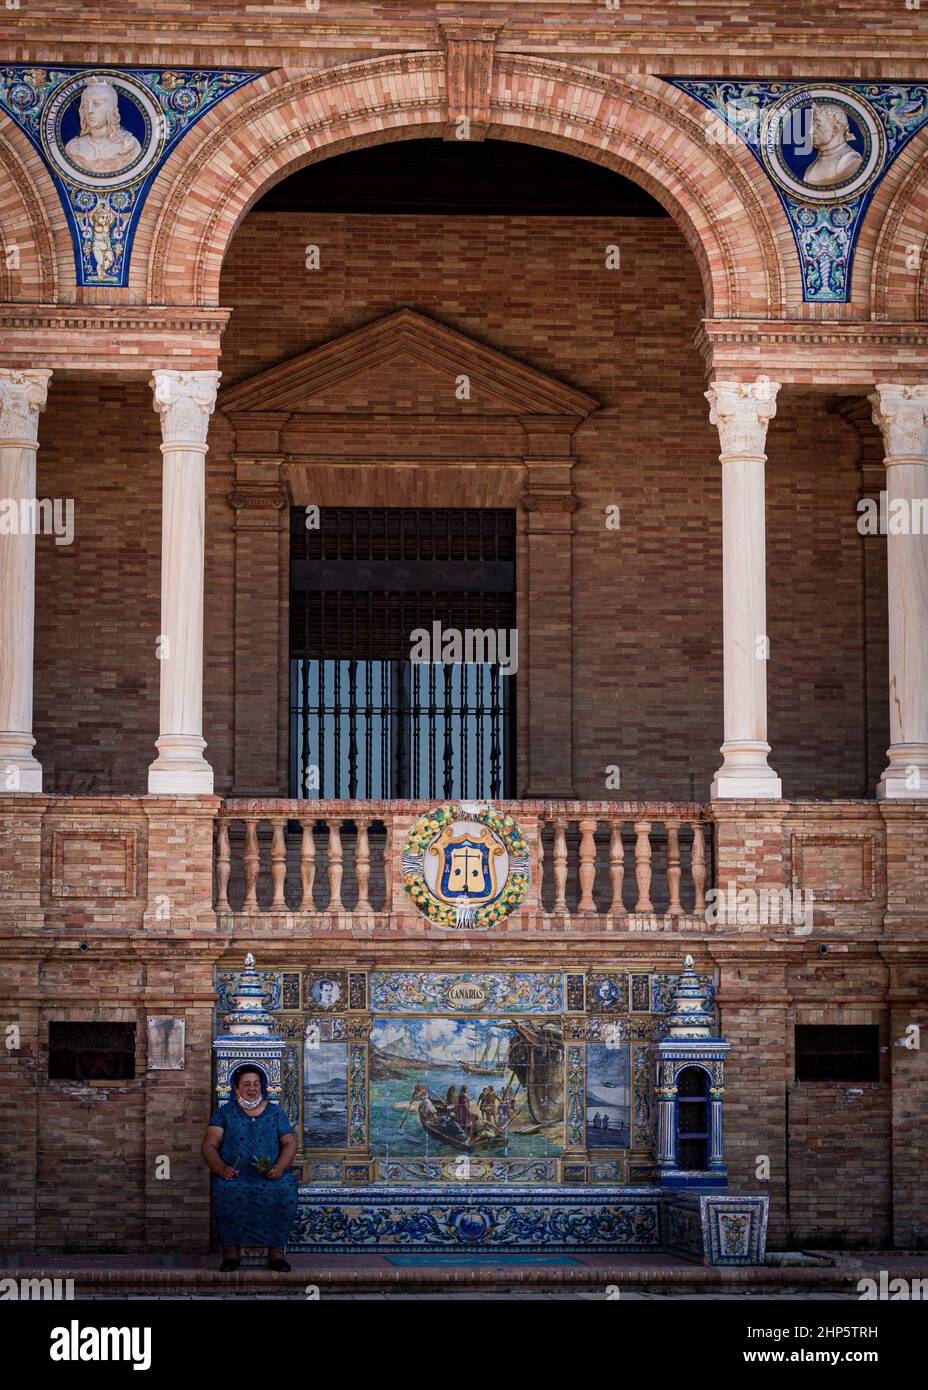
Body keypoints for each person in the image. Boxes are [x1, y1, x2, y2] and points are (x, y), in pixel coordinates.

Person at [201, 1065, 299, 1273]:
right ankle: (230, 1254)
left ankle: (277, 1254)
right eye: (246, 1084)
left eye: (256, 1084)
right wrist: (221, 1168)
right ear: (236, 1088)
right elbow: (209, 1145)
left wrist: (280, 1167)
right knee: (225, 1190)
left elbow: (290, 1142)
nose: (252, 1088)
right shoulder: (224, 1114)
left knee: (285, 1189)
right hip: (235, 1176)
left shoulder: (275, 1113)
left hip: (270, 1175)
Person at [64, 78, 142, 174]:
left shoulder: (129, 147)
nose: (90, 110)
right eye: (86, 105)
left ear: (110, 109)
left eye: (97, 104)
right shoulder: (74, 148)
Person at [803, 103, 864, 187]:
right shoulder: (810, 168)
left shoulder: (850, 160)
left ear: (836, 129)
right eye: (812, 125)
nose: (811, 130)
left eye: (817, 125)